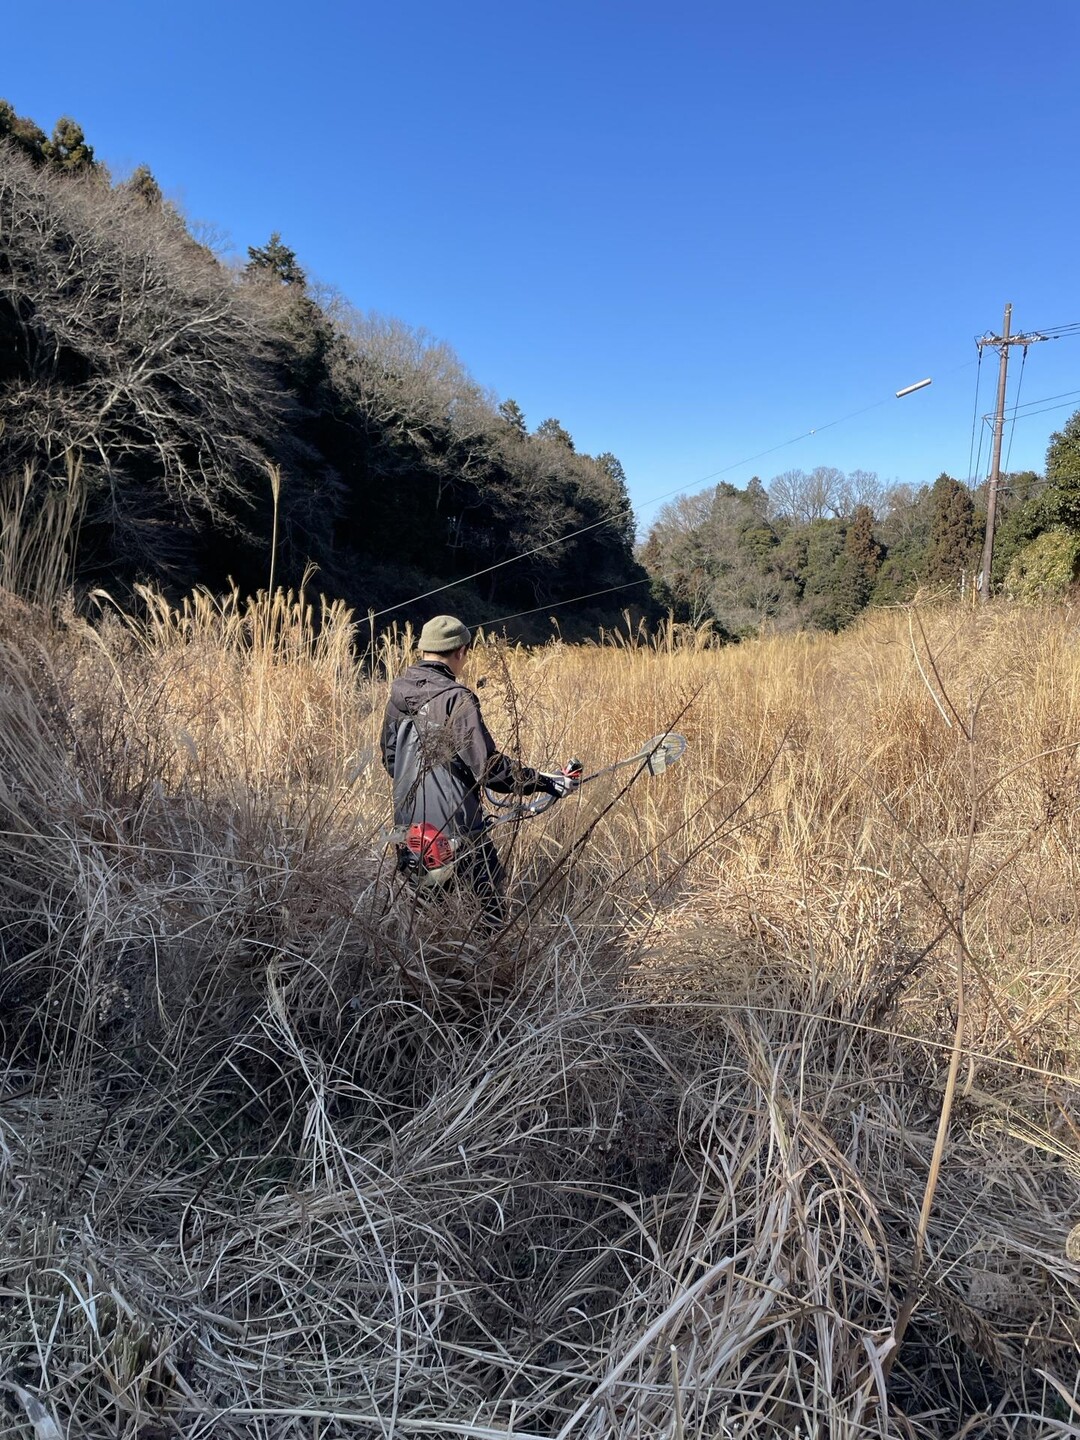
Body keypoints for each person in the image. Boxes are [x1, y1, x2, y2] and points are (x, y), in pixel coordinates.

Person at [380, 615, 577, 924]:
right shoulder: (456, 698)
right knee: (489, 917)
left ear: (423, 651)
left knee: (426, 920)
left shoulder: (398, 696)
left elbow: (391, 761)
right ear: (460, 652)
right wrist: (545, 782)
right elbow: (489, 769)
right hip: (459, 830)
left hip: (409, 829)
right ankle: (488, 973)